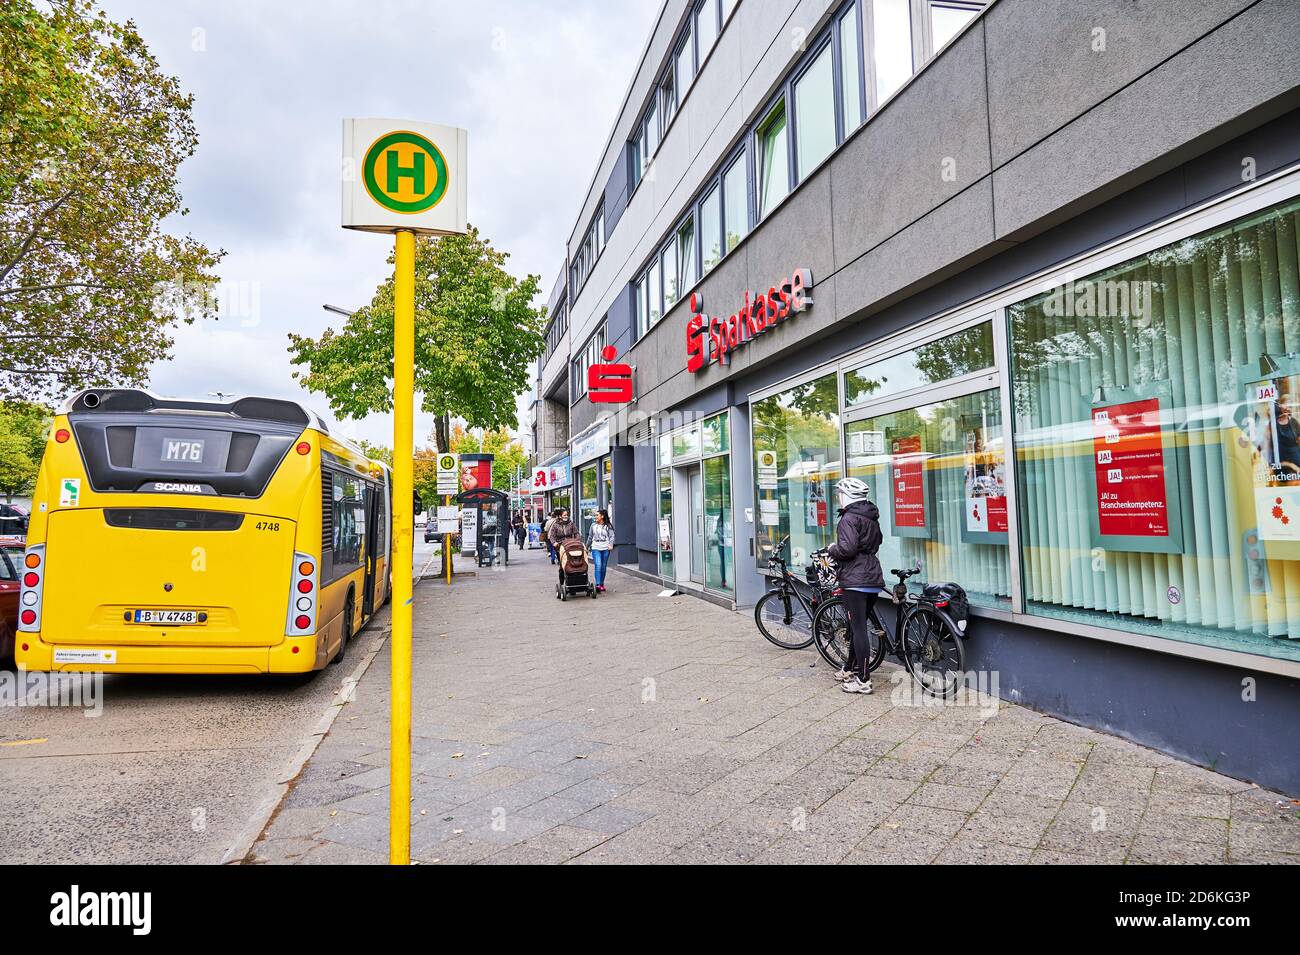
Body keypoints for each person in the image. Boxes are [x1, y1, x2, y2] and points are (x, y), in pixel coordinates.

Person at [827, 476, 883, 695]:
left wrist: (832, 548)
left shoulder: (849, 518)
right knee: (856, 626)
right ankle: (849, 668)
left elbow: (847, 549)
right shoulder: (871, 517)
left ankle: (863, 679)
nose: (839, 498)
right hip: (872, 577)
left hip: (855, 580)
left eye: (840, 494)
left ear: (847, 495)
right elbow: (877, 543)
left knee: (858, 629)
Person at [587, 509, 615, 593]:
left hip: (605, 548)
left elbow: (612, 536)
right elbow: (590, 537)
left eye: (597, 515)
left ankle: (602, 584)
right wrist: (586, 547)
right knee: (598, 565)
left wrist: (611, 545)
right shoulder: (593, 525)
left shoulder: (608, 526)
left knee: (603, 567)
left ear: (602, 516)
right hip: (596, 547)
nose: (595, 517)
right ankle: (598, 584)